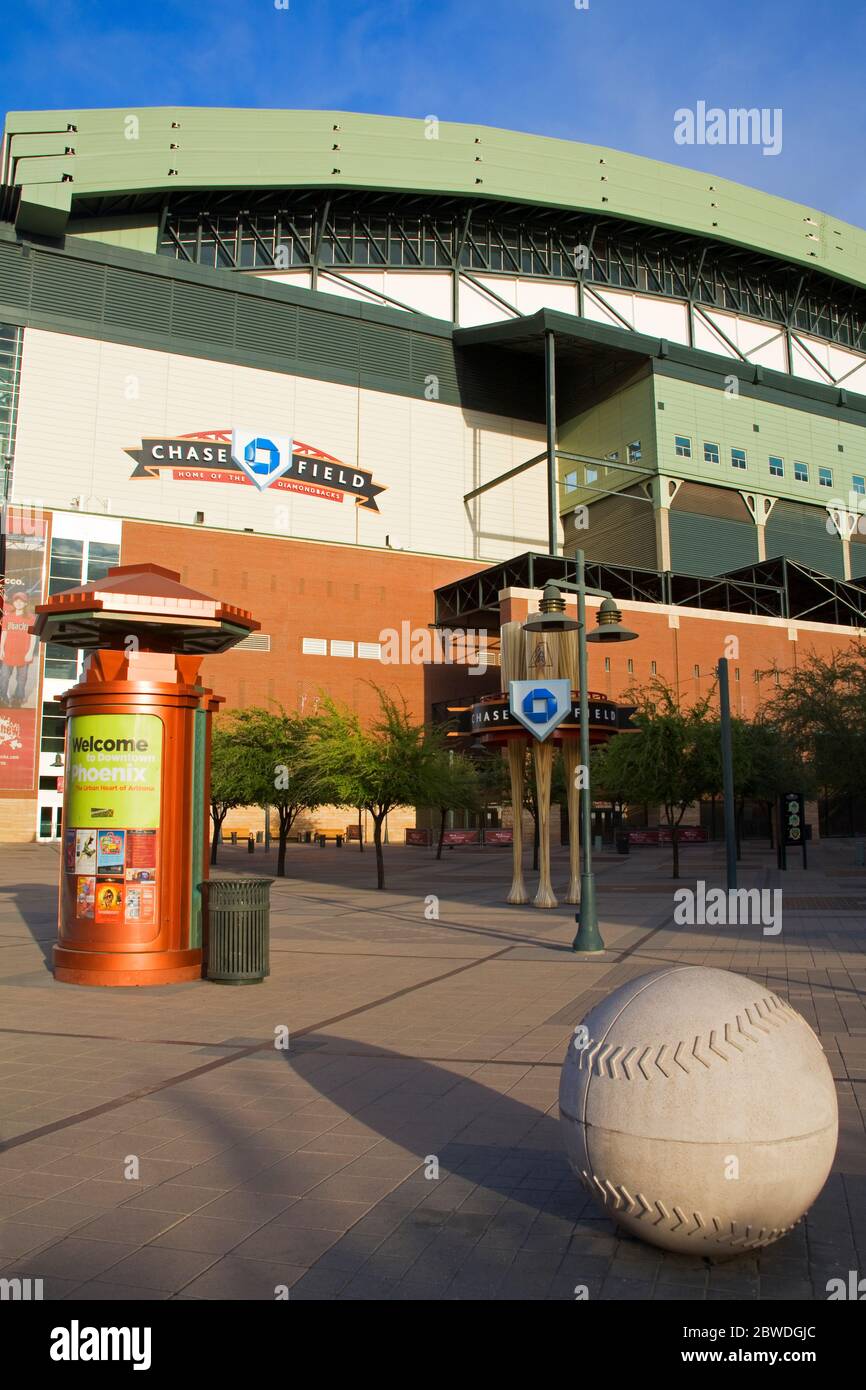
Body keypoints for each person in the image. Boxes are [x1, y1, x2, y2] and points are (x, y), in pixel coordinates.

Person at [0, 590, 37, 707]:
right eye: (16, 601)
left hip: (23, 653)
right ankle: (3, 697)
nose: (19, 603)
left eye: (22, 601)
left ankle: (18, 698)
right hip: (9, 652)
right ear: (14, 602)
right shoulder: (7, 618)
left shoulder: (31, 618)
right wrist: (1, 650)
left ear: (25, 603)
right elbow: (4, 635)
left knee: (22, 678)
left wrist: (30, 652)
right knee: (4, 676)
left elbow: (33, 636)